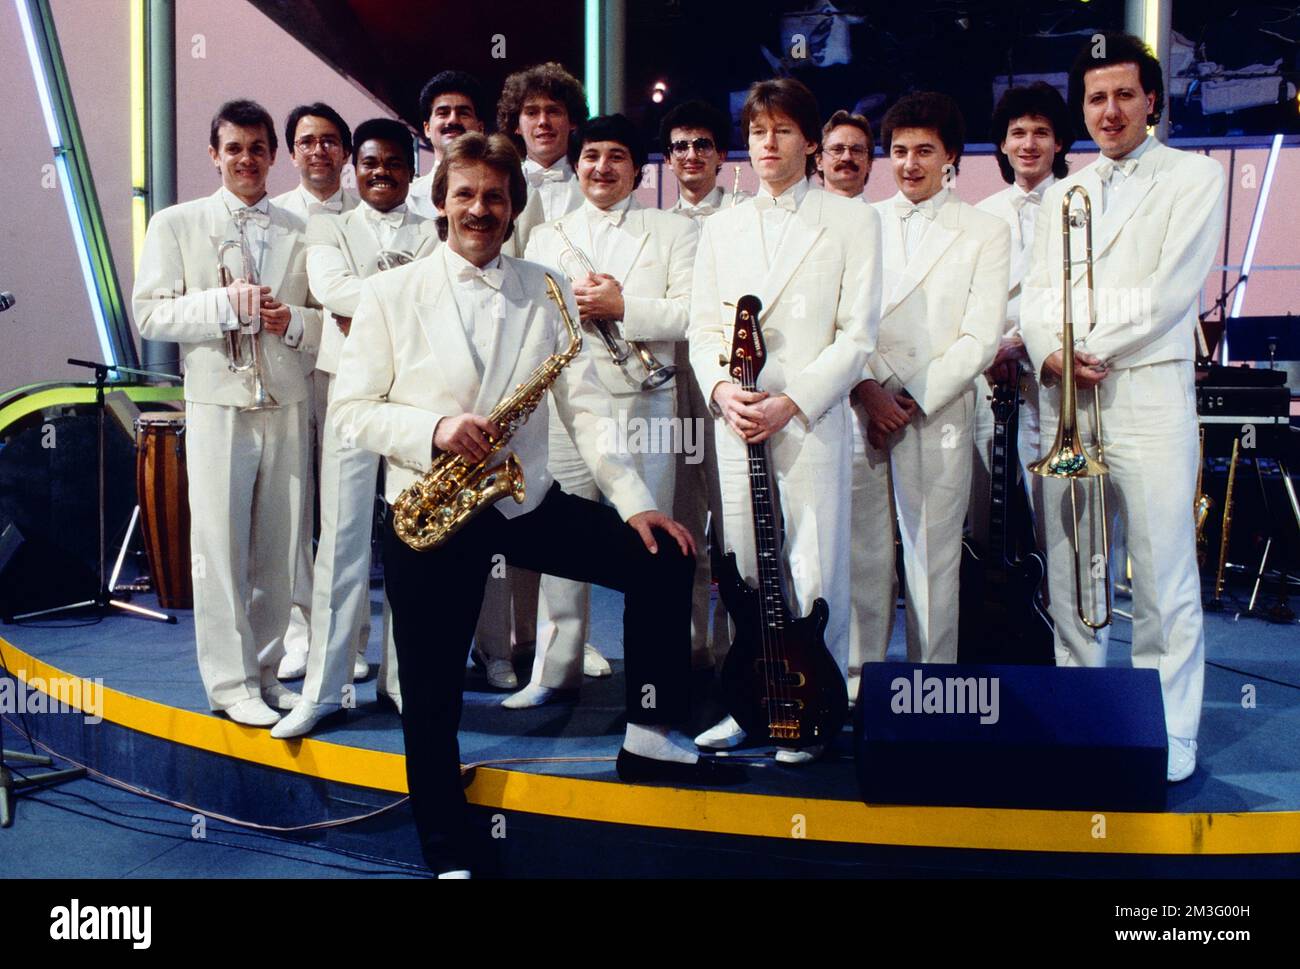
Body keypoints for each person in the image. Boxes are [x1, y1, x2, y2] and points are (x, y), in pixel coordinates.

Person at [330, 132, 742, 876]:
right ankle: (448, 851)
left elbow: (583, 408)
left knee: (664, 556)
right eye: (465, 194)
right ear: (441, 202)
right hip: (432, 513)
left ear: (514, 205)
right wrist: (434, 430)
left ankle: (650, 733)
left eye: (495, 196)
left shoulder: (546, 285)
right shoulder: (389, 295)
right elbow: (350, 412)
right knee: (430, 694)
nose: (480, 209)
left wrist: (634, 503)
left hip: (521, 500)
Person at [1019, 33, 1226, 783]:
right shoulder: (1064, 194)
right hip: (1069, 395)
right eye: (1097, 98)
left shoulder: (1195, 178)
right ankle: (1085, 716)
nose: (1110, 111)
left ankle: (1171, 732)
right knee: (1076, 573)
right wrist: (1049, 350)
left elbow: (1173, 291)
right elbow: (1038, 292)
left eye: (1124, 96)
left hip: (1145, 395)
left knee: (1165, 574)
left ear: (1152, 101)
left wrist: (1089, 349)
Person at [689, 78, 881, 762]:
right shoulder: (722, 226)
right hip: (737, 420)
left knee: (813, 564)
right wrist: (720, 388)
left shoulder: (854, 219)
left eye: (782, 131)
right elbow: (701, 326)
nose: (768, 144)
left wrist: (791, 399)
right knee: (740, 565)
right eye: (758, 131)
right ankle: (750, 701)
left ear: (809, 141)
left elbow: (856, 336)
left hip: (808, 419)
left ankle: (814, 703)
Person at [134, 99, 321, 726]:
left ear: (273, 154)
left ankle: (268, 674)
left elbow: (330, 320)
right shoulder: (176, 222)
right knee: (217, 548)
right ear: (214, 155)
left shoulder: (302, 228)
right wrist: (221, 305)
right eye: (234, 148)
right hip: (218, 404)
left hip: (288, 401)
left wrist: (290, 321)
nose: (246, 159)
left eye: (257, 148)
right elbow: (151, 314)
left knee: (280, 548)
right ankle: (229, 684)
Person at [513, 114, 698, 708]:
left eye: (616, 156)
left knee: (651, 540)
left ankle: (657, 682)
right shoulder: (546, 234)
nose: (601, 167)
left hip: (648, 400)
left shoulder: (672, 230)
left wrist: (622, 306)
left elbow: (691, 313)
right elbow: (533, 316)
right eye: (591, 155)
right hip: (568, 408)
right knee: (561, 539)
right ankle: (554, 669)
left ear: (638, 170)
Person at [273, 118, 440, 739]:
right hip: (346, 392)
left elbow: (429, 297)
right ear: (355, 167)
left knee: (411, 537)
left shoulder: (434, 229)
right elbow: (330, 288)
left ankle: (401, 681)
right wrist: (392, 297)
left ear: (410, 169)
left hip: (414, 401)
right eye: (370, 162)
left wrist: (369, 305)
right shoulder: (329, 225)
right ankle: (327, 688)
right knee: (341, 540)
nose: (380, 172)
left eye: (394, 162)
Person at [861, 91, 1009, 664]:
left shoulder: (984, 230)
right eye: (899, 151)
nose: (910, 164)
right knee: (864, 557)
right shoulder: (864, 222)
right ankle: (855, 686)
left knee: (934, 559)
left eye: (925, 150)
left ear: (951, 155)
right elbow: (843, 318)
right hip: (860, 404)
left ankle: (932, 687)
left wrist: (911, 397)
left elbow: (981, 336)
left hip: (937, 407)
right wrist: (870, 388)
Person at [660, 98, 749, 669]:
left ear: (720, 155)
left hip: (730, 381)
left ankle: (736, 647)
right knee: (682, 520)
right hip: (672, 385)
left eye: (702, 145)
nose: (691, 155)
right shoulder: (656, 226)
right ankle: (688, 647)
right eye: (680, 146)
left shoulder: (743, 217)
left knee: (736, 517)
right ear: (668, 160)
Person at [271, 102, 359, 680]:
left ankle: (345, 642)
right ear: (293, 151)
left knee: (345, 516)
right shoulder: (274, 215)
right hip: (287, 377)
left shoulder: (369, 209)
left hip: (352, 377)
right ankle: (299, 634)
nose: (319, 150)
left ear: (346, 152)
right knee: (293, 510)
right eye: (307, 141)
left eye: (330, 140)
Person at [811, 109, 895, 703]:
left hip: (885, 411)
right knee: (807, 552)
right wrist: (862, 385)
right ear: (818, 157)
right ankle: (798, 670)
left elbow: (877, 325)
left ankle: (865, 674)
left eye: (858, 152)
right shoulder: (804, 225)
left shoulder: (882, 223)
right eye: (837, 149)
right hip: (814, 406)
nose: (846, 159)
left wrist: (887, 396)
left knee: (869, 549)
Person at [970, 82, 1073, 553]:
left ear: (1059, 143)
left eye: (1041, 132)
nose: (1028, 144)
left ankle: (1072, 626)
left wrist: (1027, 345)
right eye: (1017, 133)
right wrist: (991, 350)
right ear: (1003, 143)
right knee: (1001, 523)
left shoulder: (1079, 205)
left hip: (1060, 384)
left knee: (1067, 524)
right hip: (994, 386)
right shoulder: (980, 216)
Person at [497, 61, 588, 253]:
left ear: (572, 121)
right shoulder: (501, 184)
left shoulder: (592, 184)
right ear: (516, 126)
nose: (543, 122)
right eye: (531, 112)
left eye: (553, 111)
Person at [407, 71, 487, 220]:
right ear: (427, 129)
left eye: (463, 113)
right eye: (443, 113)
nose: (453, 120)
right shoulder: (408, 198)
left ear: (480, 128)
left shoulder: (510, 189)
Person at [816, 109, 873, 198]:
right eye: (837, 149)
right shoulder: (803, 211)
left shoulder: (879, 212)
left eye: (856, 150)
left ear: (869, 164)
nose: (847, 157)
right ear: (819, 161)